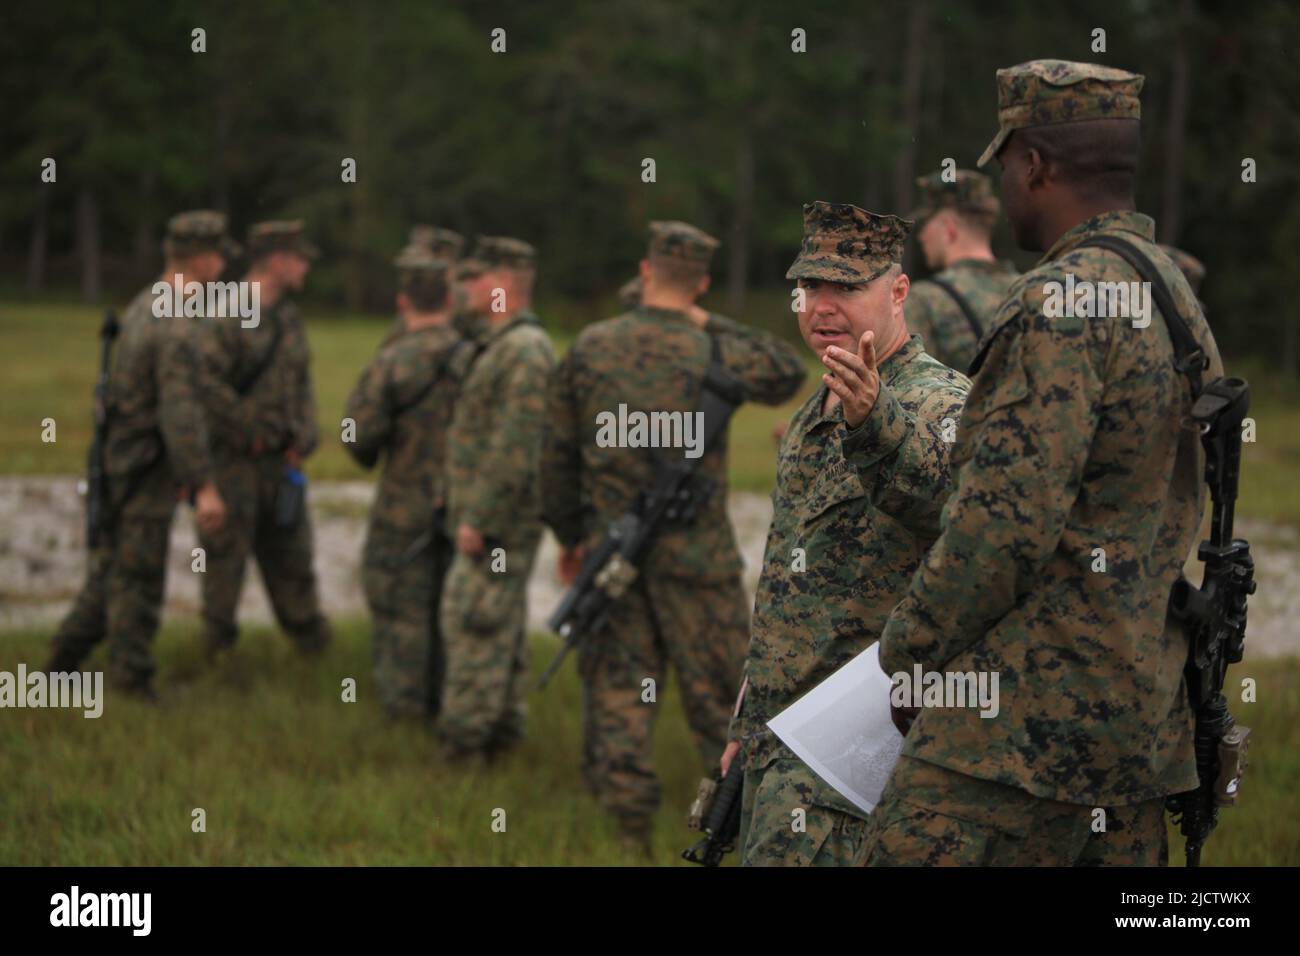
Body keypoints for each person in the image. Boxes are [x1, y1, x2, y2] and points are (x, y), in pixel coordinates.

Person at [864, 59, 1225, 866]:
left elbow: (1002, 530)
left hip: (1014, 726)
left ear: (1033, 164)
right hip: (1138, 713)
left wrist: (909, 654)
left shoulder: (1057, 300)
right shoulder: (1173, 292)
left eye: (1008, 167)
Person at [541, 221, 806, 850]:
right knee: (722, 700)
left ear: (644, 271)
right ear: (702, 284)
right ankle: (740, 824)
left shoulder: (590, 346)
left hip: (615, 555)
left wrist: (571, 538)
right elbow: (787, 370)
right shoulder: (712, 345)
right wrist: (704, 321)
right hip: (701, 559)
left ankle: (625, 829)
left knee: (617, 696)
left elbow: (554, 461)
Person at [720, 202, 969, 865]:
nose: (822, 307)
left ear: (897, 292)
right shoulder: (815, 409)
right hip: (786, 731)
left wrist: (874, 421)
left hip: (857, 749)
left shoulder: (941, 400)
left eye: (846, 287)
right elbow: (785, 579)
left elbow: (956, 514)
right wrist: (749, 718)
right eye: (810, 288)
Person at [46, 211, 233, 697]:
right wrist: (204, 485)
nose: (222, 265)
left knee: (113, 569)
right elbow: (179, 411)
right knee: (140, 576)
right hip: (146, 465)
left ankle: (61, 665)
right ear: (201, 259)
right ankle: (131, 681)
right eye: (217, 255)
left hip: (120, 460)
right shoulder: (177, 322)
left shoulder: (144, 304)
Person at [438, 236, 555, 760]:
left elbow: (516, 442)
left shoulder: (525, 350)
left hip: (498, 523)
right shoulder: (503, 344)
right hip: (489, 517)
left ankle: (464, 746)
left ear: (503, 284)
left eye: (475, 278)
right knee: (494, 622)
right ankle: (501, 735)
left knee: (474, 623)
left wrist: (479, 516)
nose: (464, 288)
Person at [343, 244, 469, 721]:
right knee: (447, 608)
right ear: (450, 300)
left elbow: (357, 436)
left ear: (403, 302)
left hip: (402, 507)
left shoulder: (391, 361)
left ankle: (404, 710)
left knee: (400, 607)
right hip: (459, 508)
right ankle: (448, 705)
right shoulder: (472, 358)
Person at [196, 220, 332, 658]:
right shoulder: (227, 312)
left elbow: (302, 383)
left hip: (281, 465)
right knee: (224, 567)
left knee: (294, 561)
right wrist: (249, 426)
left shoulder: (289, 318)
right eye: (300, 258)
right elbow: (205, 386)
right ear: (276, 260)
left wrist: (305, 434)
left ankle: (316, 654)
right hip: (234, 463)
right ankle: (215, 660)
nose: (306, 267)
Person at [905, 169, 1019, 372]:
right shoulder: (1029, 289)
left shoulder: (925, 300)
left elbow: (912, 386)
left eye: (925, 224)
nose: (921, 236)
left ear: (949, 228)